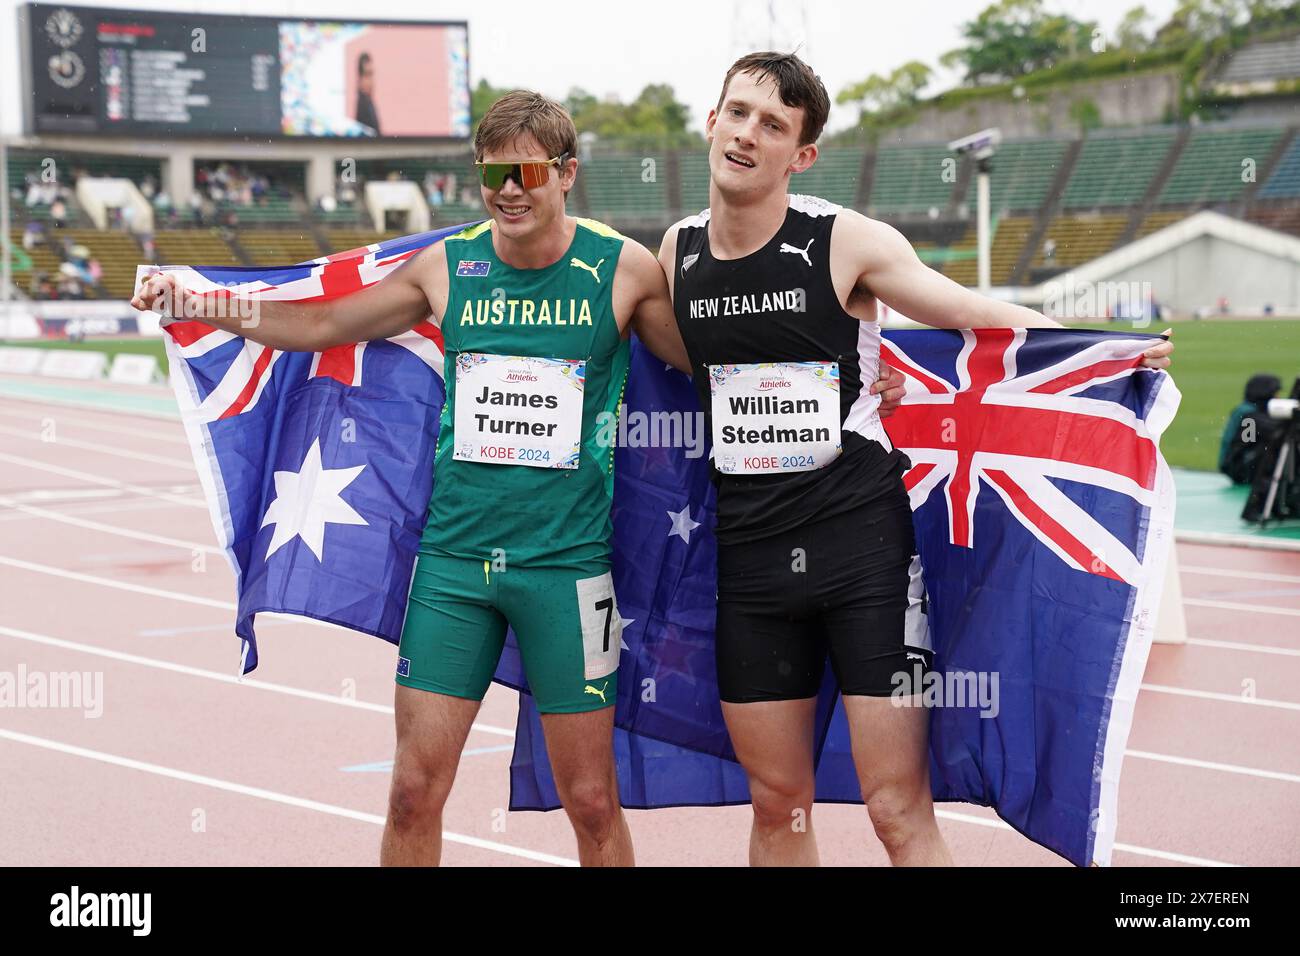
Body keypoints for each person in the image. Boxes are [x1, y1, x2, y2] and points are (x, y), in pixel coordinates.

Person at [134, 90, 697, 867]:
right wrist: (200, 301)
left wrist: (850, 366)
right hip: (456, 570)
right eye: (490, 173)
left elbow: (702, 367)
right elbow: (324, 324)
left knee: (593, 802)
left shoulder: (620, 268)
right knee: (411, 792)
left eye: (526, 171)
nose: (506, 189)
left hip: (568, 576)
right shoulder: (449, 265)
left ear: (566, 173)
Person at [656, 52, 1175, 867]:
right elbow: (685, 368)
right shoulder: (676, 250)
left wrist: (1107, 350)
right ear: (711, 120)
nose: (749, 134)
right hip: (751, 564)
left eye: (774, 125)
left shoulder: (844, 240)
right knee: (775, 805)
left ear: (802, 155)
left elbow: (974, 313)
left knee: (896, 807)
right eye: (739, 113)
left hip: (861, 556)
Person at [1219, 373, 1282, 485]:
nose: (1278, 398)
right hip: (1238, 468)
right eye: (1275, 393)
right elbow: (1273, 432)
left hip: (1236, 464)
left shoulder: (1247, 409)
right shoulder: (1250, 416)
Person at [355, 52, 381, 135]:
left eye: (372, 75)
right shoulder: (362, 105)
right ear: (360, 79)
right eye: (367, 75)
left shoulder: (370, 104)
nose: (371, 81)